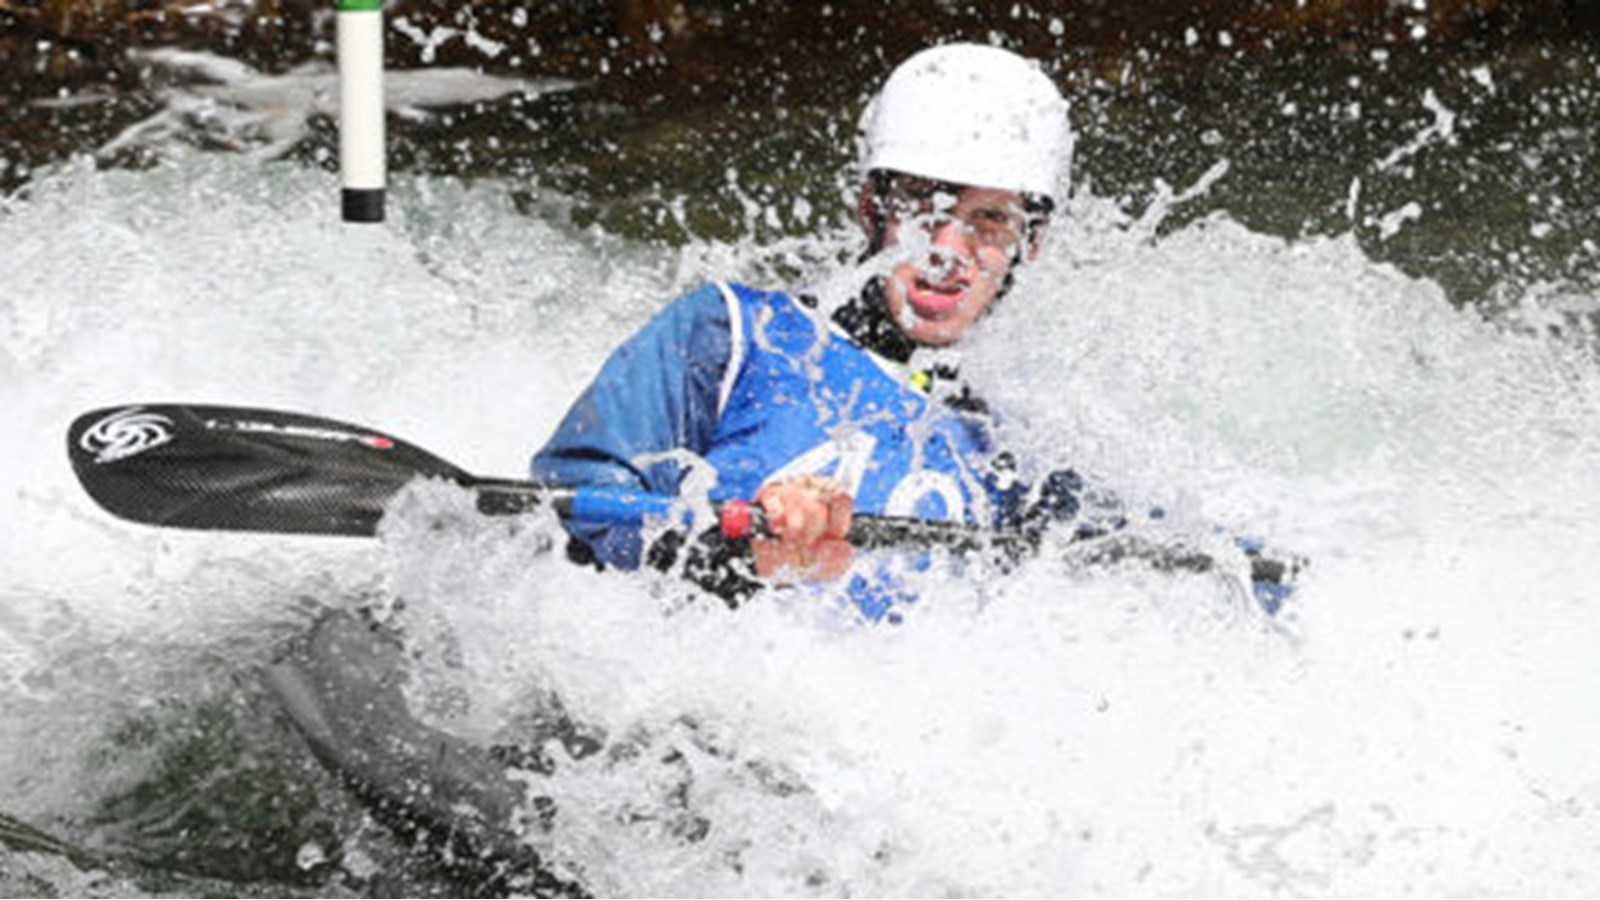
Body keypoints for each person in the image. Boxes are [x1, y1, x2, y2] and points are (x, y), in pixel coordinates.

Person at [531, 43, 1253, 619]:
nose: (948, 249)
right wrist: (738, 542)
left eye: (989, 221)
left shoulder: (1018, 433)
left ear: (1029, 243)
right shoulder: (731, 332)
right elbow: (568, 499)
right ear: (869, 208)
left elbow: (1165, 559)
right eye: (923, 206)